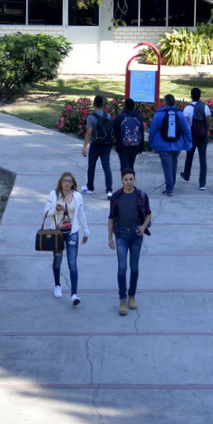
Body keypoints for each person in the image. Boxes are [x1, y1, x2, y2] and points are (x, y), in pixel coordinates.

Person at [106, 170, 151, 316]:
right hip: (121, 235)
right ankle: (122, 298)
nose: (129, 182)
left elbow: (148, 214)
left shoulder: (142, 195)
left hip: (136, 234)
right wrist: (110, 237)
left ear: (135, 179)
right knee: (122, 267)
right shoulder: (116, 196)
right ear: (122, 180)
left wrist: (143, 227)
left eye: (131, 179)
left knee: (134, 267)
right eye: (126, 179)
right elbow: (111, 217)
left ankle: (132, 295)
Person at [43, 172, 88, 306]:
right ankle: (57, 285)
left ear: (73, 183)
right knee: (57, 260)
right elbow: (45, 214)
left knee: (72, 263)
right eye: (65, 181)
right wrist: (55, 210)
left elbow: (81, 215)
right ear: (61, 182)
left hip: (72, 233)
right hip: (57, 233)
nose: (67, 183)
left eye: (69, 181)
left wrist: (86, 231)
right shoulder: (53, 195)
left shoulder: (77, 196)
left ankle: (74, 294)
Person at [148, 93, 193, 196]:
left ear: (164, 102)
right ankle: (172, 183)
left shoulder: (159, 114)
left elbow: (153, 129)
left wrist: (151, 141)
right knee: (174, 163)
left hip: (163, 146)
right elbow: (186, 129)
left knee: (167, 167)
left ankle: (169, 188)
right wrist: (189, 140)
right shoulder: (179, 114)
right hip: (177, 145)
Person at [180, 87, 212, 191]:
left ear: (191, 96)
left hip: (192, 136)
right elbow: (208, 121)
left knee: (189, 156)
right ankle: (202, 184)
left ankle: (186, 176)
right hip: (203, 136)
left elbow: (185, 124)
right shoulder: (205, 107)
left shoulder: (187, 108)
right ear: (200, 95)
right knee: (203, 159)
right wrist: (204, 131)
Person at [82, 95, 115, 195]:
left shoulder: (91, 117)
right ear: (103, 104)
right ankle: (109, 190)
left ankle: (90, 187)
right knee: (106, 167)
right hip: (106, 144)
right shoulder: (107, 116)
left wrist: (85, 147)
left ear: (94, 104)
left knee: (91, 167)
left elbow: (89, 133)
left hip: (95, 144)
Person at [114, 98, 146, 177]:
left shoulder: (120, 117)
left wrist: (116, 143)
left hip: (123, 146)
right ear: (133, 107)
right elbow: (141, 132)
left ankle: (125, 181)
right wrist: (141, 147)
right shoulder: (137, 117)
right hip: (134, 145)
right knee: (131, 165)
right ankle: (131, 180)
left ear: (125, 106)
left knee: (124, 166)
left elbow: (115, 130)